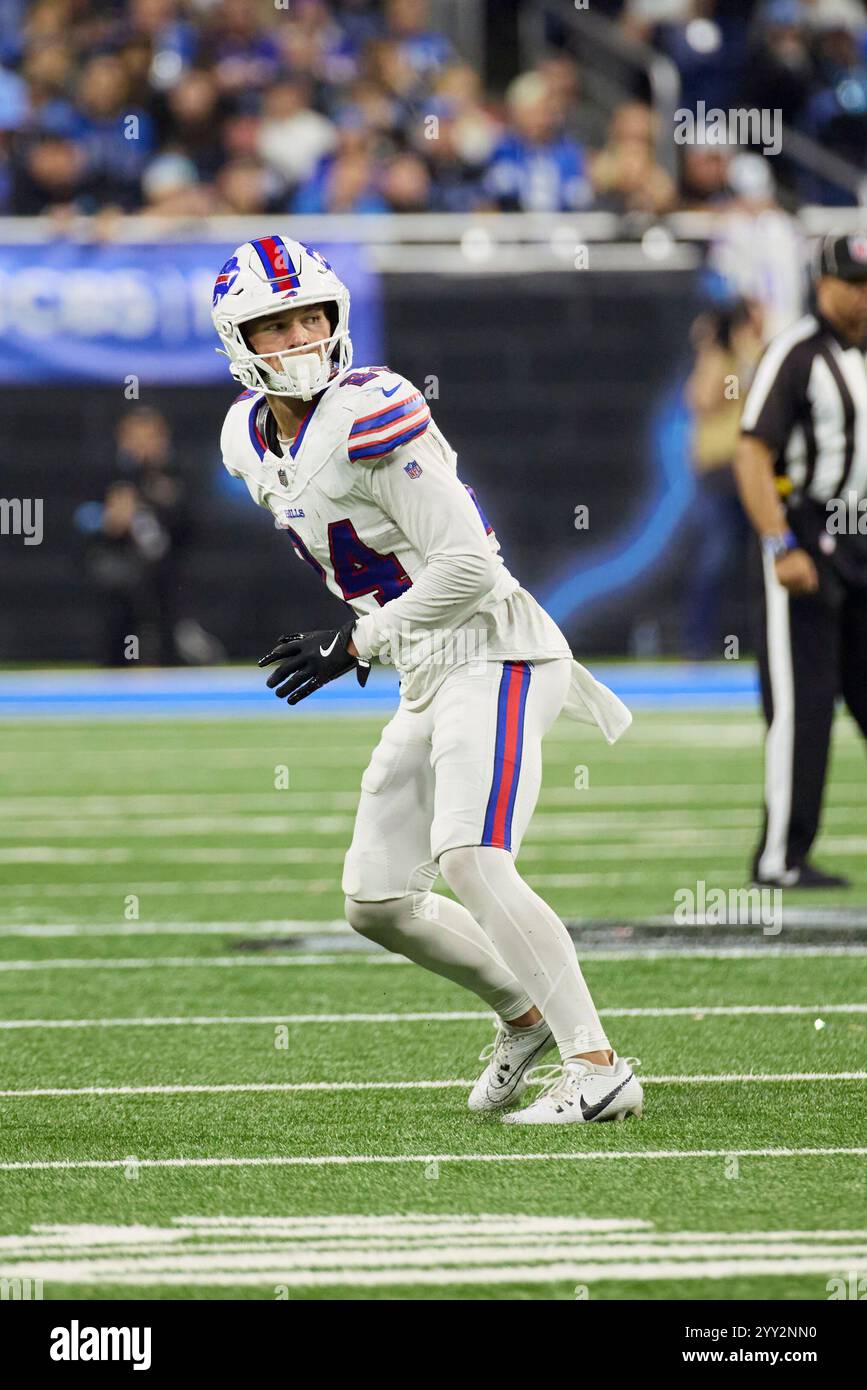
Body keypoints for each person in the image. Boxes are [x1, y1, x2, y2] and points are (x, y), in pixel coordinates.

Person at [212, 234, 641, 1125]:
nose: (296, 338)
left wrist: (356, 642)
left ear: (336, 317)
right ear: (236, 340)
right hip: (426, 667)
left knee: (471, 856)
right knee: (375, 901)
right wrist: (379, 642)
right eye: (273, 324)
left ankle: (597, 1067)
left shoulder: (373, 409)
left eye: (309, 317)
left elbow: (470, 568)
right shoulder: (245, 438)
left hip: (498, 648)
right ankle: (521, 1017)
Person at [734, 233, 867, 888]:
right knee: (803, 702)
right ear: (823, 284)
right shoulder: (796, 351)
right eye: (854, 283)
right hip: (807, 533)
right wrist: (778, 542)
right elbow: (751, 452)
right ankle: (780, 857)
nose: (862, 296)